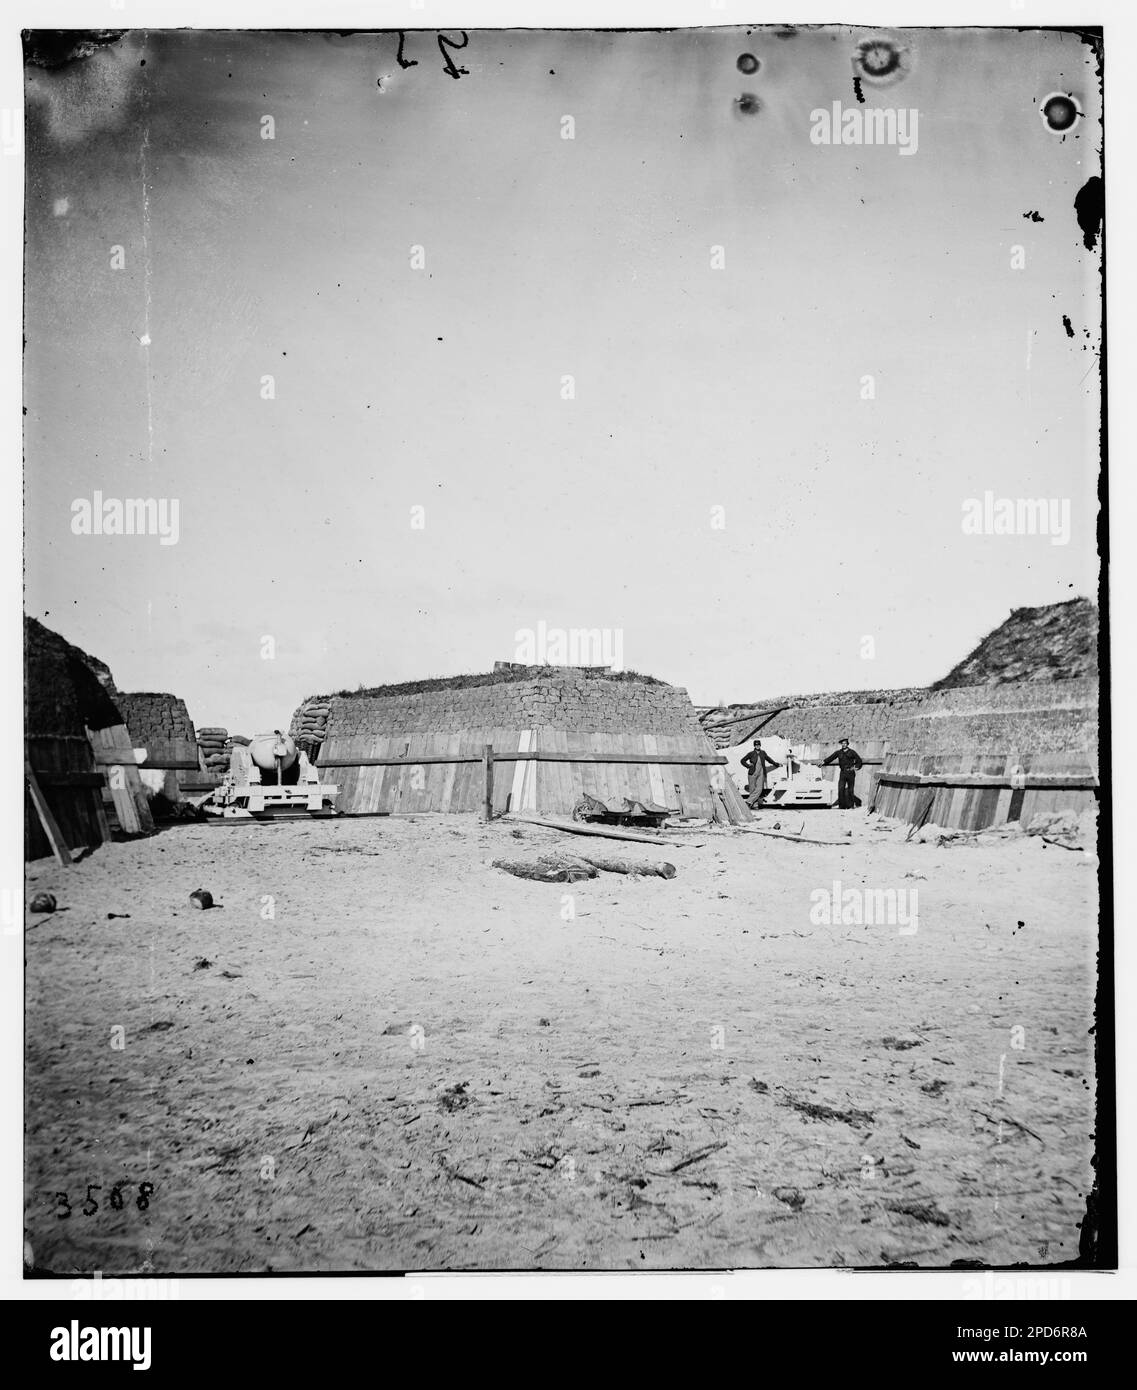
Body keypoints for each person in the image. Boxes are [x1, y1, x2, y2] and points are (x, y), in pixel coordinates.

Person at [823, 737, 863, 809]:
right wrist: (823, 762)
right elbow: (831, 758)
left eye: (845, 743)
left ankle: (851, 806)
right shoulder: (838, 752)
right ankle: (842, 806)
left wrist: (855, 767)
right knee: (841, 788)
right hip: (843, 773)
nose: (844, 745)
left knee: (850, 789)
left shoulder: (852, 752)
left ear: (847, 744)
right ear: (841, 744)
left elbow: (859, 760)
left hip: (850, 773)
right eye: (842, 743)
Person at [741, 738, 780, 807]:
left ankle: (748, 802)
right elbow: (742, 760)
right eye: (756, 745)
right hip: (752, 773)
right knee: (752, 789)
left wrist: (776, 764)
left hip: (761, 773)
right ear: (754, 746)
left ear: (760, 745)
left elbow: (769, 759)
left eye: (758, 745)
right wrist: (748, 765)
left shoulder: (763, 753)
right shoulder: (751, 753)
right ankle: (755, 804)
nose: (757, 746)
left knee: (759, 789)